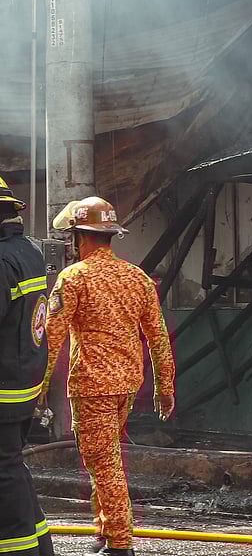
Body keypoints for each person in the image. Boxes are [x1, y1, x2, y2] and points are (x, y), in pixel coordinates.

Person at [40, 197, 176, 556]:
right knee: (106, 458)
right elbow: (158, 336)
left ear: (77, 237)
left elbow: (52, 338)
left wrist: (37, 390)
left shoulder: (74, 278)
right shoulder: (137, 278)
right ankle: (106, 528)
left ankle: (119, 544)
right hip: (127, 385)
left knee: (104, 463)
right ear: (110, 235)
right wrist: (165, 386)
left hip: (91, 386)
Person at [0, 176, 55, 556]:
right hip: (23, 386)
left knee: (2, 476)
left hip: (3, 389)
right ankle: (41, 545)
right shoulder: (28, 251)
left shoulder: (1, 260)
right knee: (11, 467)